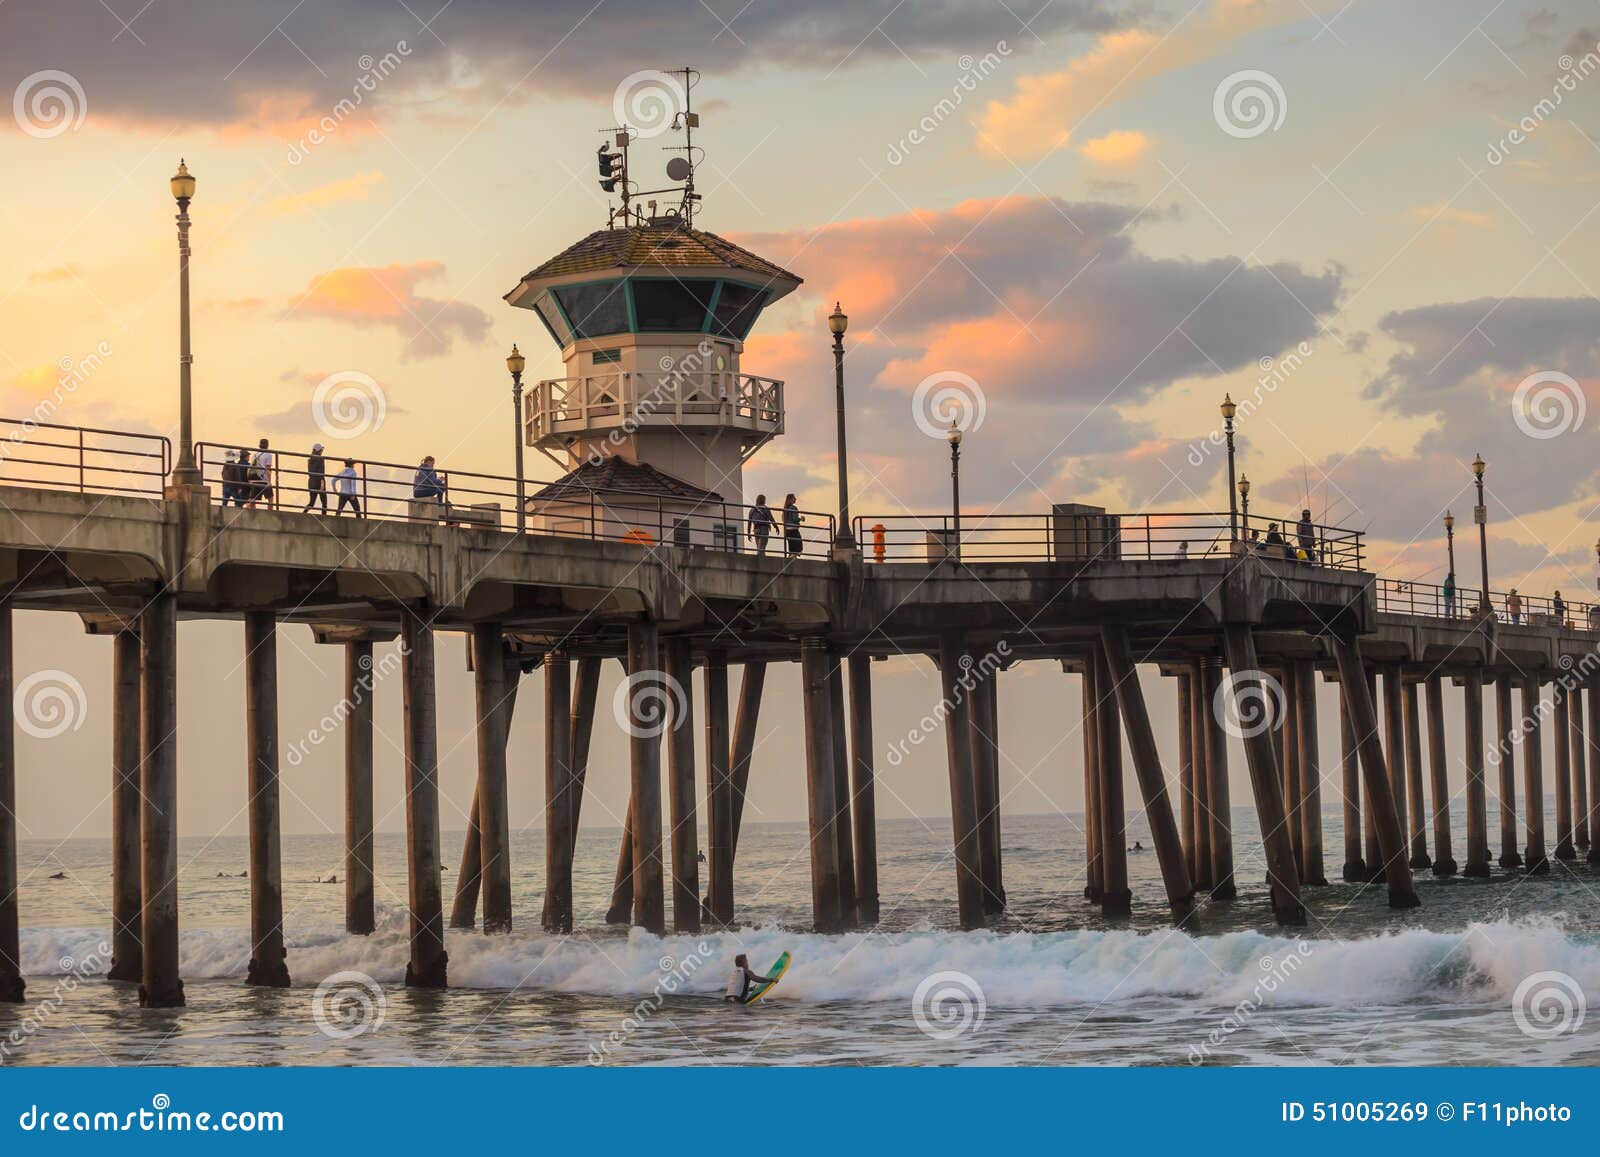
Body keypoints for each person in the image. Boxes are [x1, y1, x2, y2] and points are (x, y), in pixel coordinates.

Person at [248, 438, 274, 509]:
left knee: (252, 500)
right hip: (264, 480)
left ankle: (253, 513)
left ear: (259, 445)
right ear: (267, 445)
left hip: (255, 479)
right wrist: (269, 481)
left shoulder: (255, 455)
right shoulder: (268, 455)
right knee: (270, 499)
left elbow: (251, 468)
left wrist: (250, 479)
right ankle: (270, 513)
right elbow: (268, 469)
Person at [303, 443, 328, 513]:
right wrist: (322, 483)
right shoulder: (321, 459)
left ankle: (304, 513)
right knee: (324, 502)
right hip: (319, 482)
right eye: (321, 450)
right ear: (319, 450)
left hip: (311, 482)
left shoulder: (310, 460)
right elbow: (321, 472)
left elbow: (310, 472)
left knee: (311, 503)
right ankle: (324, 517)